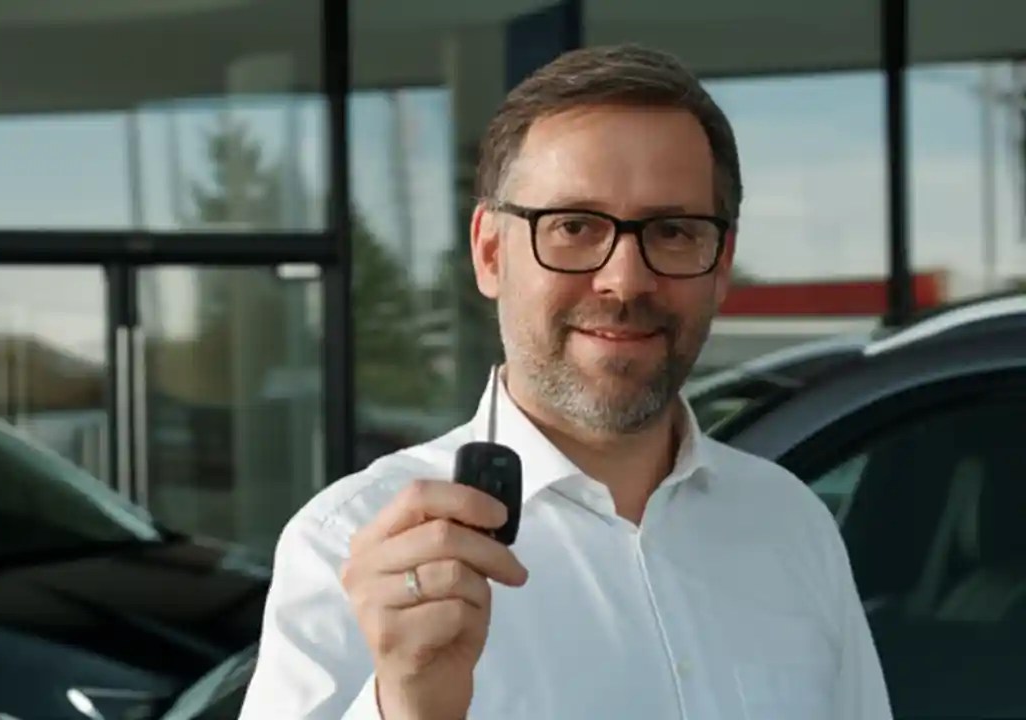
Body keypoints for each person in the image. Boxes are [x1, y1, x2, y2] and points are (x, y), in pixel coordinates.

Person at [238, 43, 892, 719]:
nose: (625, 280)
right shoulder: (352, 549)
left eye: (672, 232)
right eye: (574, 226)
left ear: (721, 264)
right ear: (491, 253)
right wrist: (405, 704)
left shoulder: (791, 527)